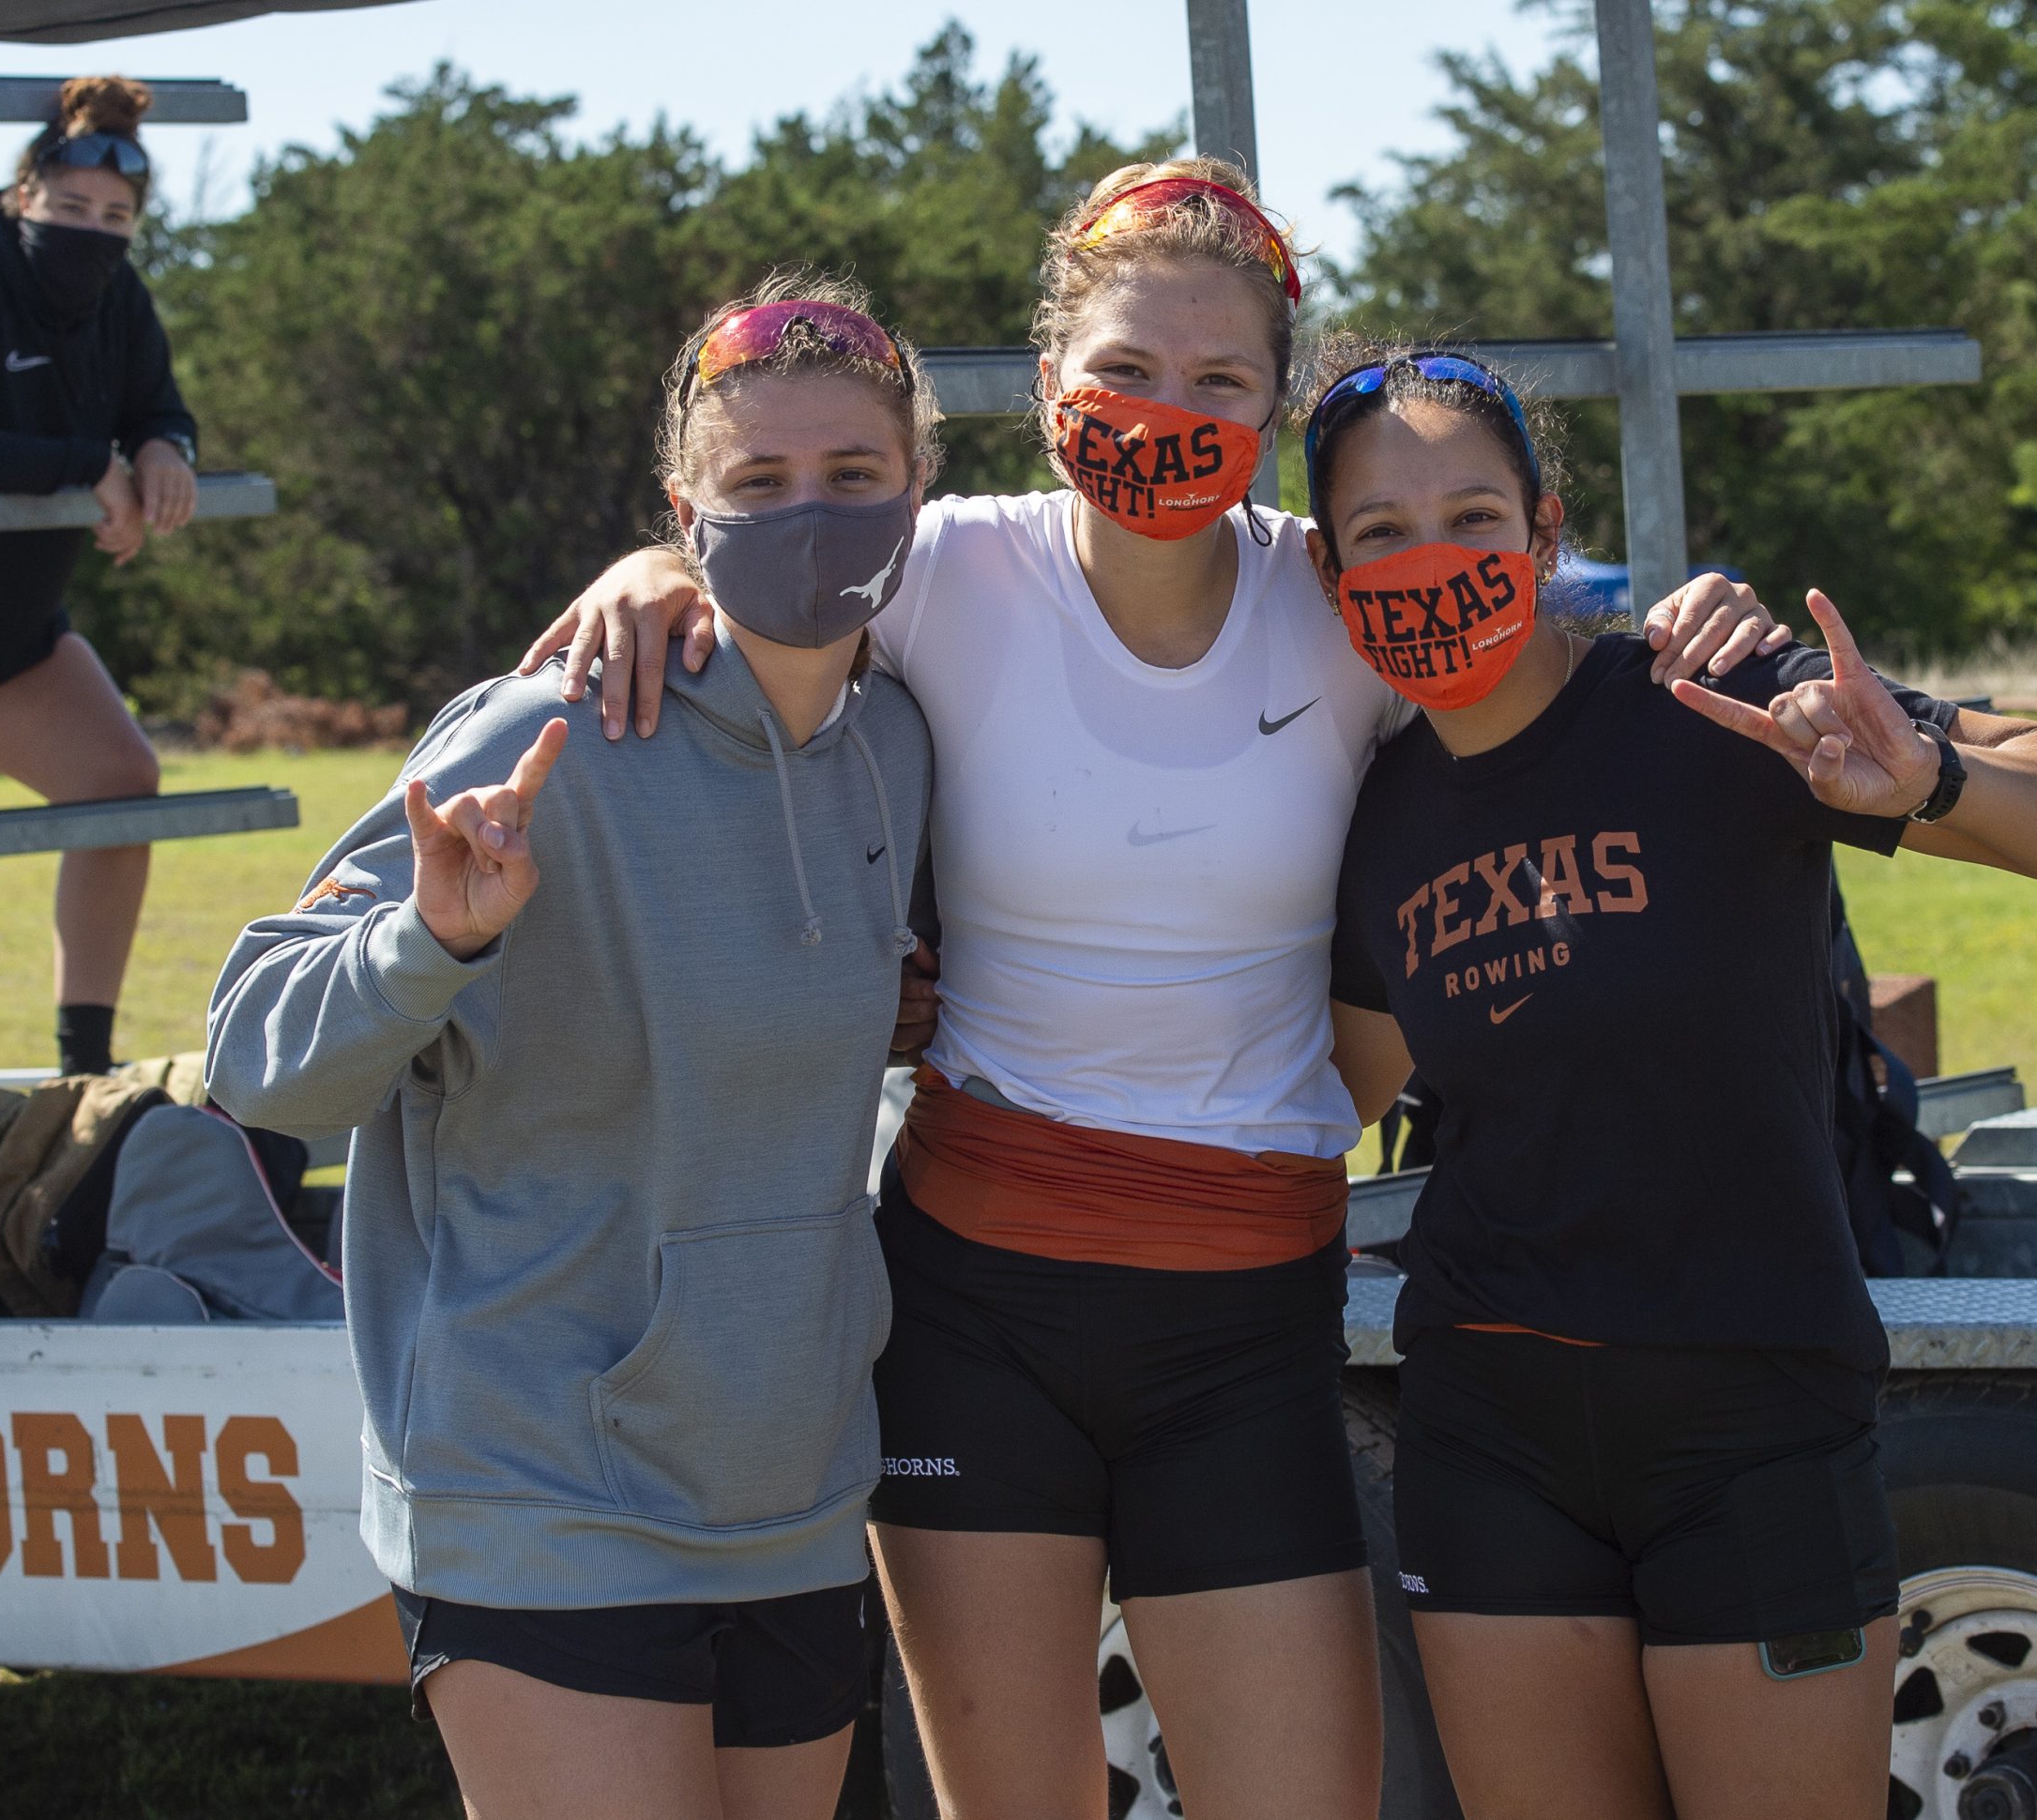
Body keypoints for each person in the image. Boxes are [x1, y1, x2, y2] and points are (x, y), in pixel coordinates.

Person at [523, 163, 1786, 1819]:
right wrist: (653, 569)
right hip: (975, 1308)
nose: (1166, 410)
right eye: (1125, 369)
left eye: (1219, 379)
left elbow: (1539, 676)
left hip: (1245, 1322)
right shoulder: (941, 569)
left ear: (1276, 407)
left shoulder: (1342, 605)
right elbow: (769, 543)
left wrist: (1710, 620)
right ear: (1053, 387)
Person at [1304, 335, 2037, 1820]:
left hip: (1750, 1412)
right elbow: (1326, 1096)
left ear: (1547, 534)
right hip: (1488, 1424)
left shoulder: (1715, 699)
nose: (1429, 560)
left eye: (1473, 521)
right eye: (1382, 532)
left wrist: (1929, 781)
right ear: (1330, 570)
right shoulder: (1376, 815)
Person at [206, 276, 936, 1820]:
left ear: (917, 490)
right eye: (757, 486)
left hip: (795, 1497)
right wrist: (435, 941)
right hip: (543, 1488)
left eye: (853, 479)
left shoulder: (904, 743)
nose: (809, 515)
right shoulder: (542, 734)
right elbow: (259, 1062)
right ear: (689, 507)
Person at [0, 76, 201, 1076]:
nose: (92, 232)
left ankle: (79, 1073)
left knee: (120, 785)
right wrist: (78, 464)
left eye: (116, 216)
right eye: (69, 209)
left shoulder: (117, 294)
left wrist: (164, 446)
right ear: (22, 198)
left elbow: (155, 402)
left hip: (12, 640)